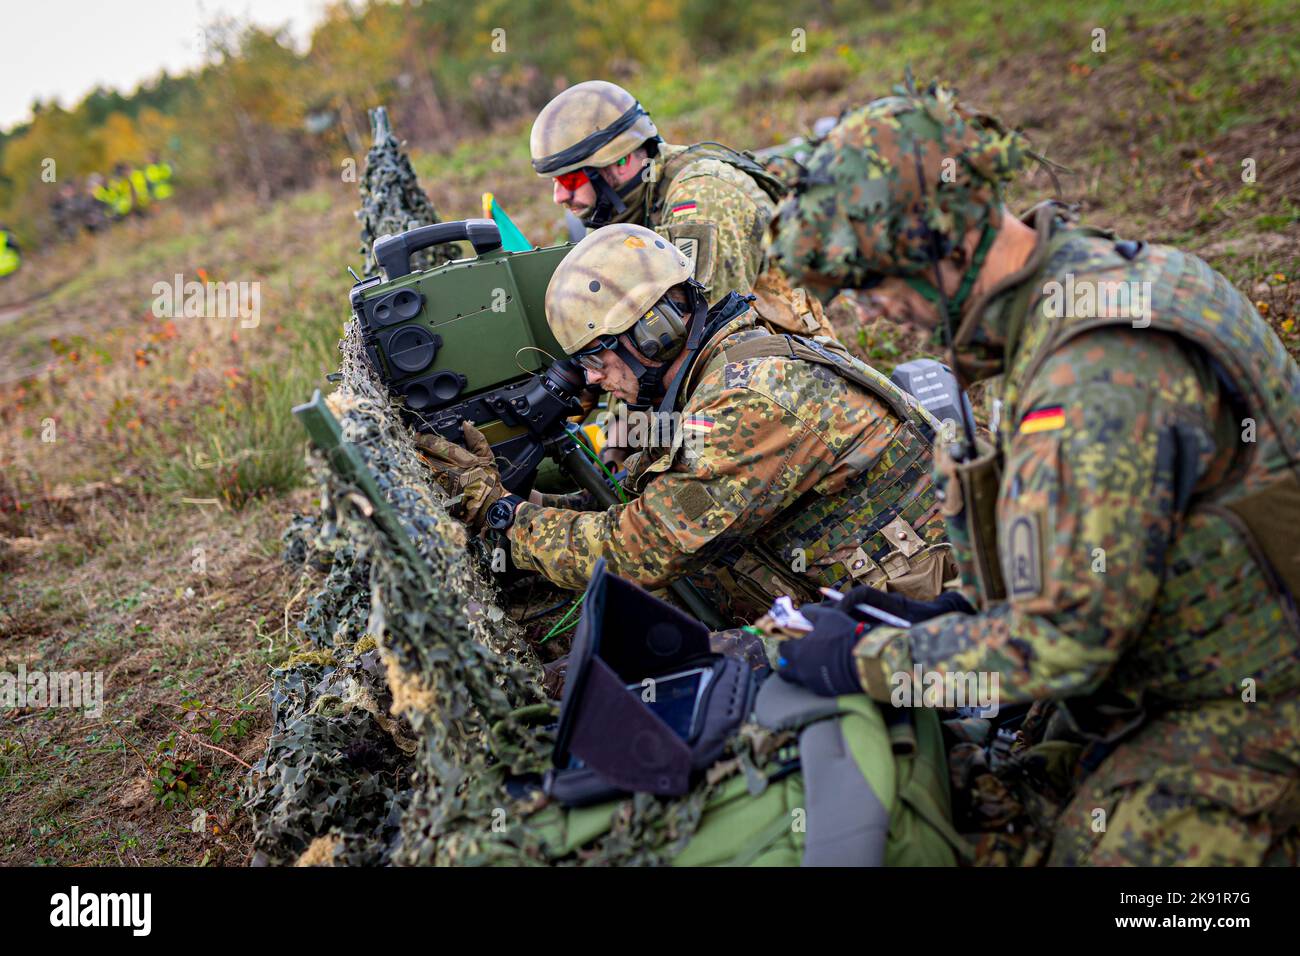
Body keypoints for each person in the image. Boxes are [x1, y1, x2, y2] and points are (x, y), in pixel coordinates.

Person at [768, 80, 1300, 866]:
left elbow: (1068, 641)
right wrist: (940, 614)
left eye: (872, 284)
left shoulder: (1095, 375)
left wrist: (866, 662)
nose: (870, 313)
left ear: (941, 247)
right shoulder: (1085, 282)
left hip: (1252, 701)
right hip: (1167, 653)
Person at [416, 223, 952, 625]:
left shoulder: (748, 399)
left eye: (599, 359)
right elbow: (639, 510)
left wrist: (501, 515)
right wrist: (525, 510)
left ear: (653, 332)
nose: (596, 381)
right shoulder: (719, 365)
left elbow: (637, 548)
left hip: (939, 610)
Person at [530, 82, 838, 468]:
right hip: (740, 381)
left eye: (570, 180)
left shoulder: (702, 201)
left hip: (794, 386)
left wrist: (619, 455)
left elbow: (676, 348)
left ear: (621, 162)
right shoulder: (631, 208)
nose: (559, 197)